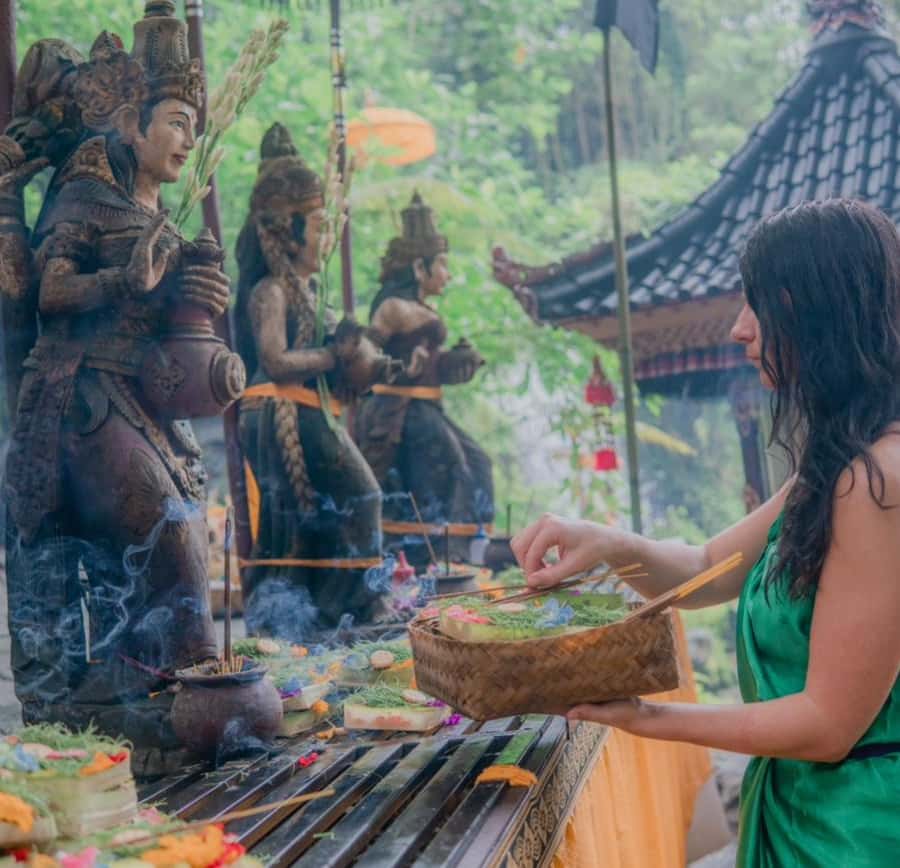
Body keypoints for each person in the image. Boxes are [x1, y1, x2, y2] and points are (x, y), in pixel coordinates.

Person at [512, 199, 900, 867]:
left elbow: (827, 724)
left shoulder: (876, 481)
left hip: (853, 831)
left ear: (817, 310)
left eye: (756, 305)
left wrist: (646, 718)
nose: (739, 329)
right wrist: (601, 541)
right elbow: (704, 565)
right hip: (799, 807)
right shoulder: (832, 466)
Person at [2, 2, 230, 737]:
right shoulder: (88, 196)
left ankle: (151, 699)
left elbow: (176, 326)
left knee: (188, 539)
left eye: (195, 128)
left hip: (139, 401)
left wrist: (198, 294)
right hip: (79, 398)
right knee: (169, 536)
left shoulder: (166, 212)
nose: (188, 141)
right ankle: (158, 700)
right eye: (176, 123)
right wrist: (127, 280)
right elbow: (51, 290)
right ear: (132, 125)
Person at [235, 123, 393, 637]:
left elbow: (343, 356)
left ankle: (332, 612)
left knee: (322, 514)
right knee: (353, 498)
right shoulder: (269, 291)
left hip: (307, 408)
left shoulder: (307, 290)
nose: (328, 236)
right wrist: (331, 354)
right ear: (287, 230)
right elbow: (276, 359)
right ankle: (352, 605)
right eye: (320, 224)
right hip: (277, 409)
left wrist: (363, 361)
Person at [353, 192, 494, 563]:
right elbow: (367, 355)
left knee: (478, 462)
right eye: (442, 265)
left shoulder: (421, 308)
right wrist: (402, 369)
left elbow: (434, 365)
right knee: (453, 469)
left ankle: (468, 548)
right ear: (419, 267)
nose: (447, 274)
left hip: (429, 407)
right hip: (402, 412)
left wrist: (455, 364)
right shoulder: (392, 307)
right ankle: (437, 553)